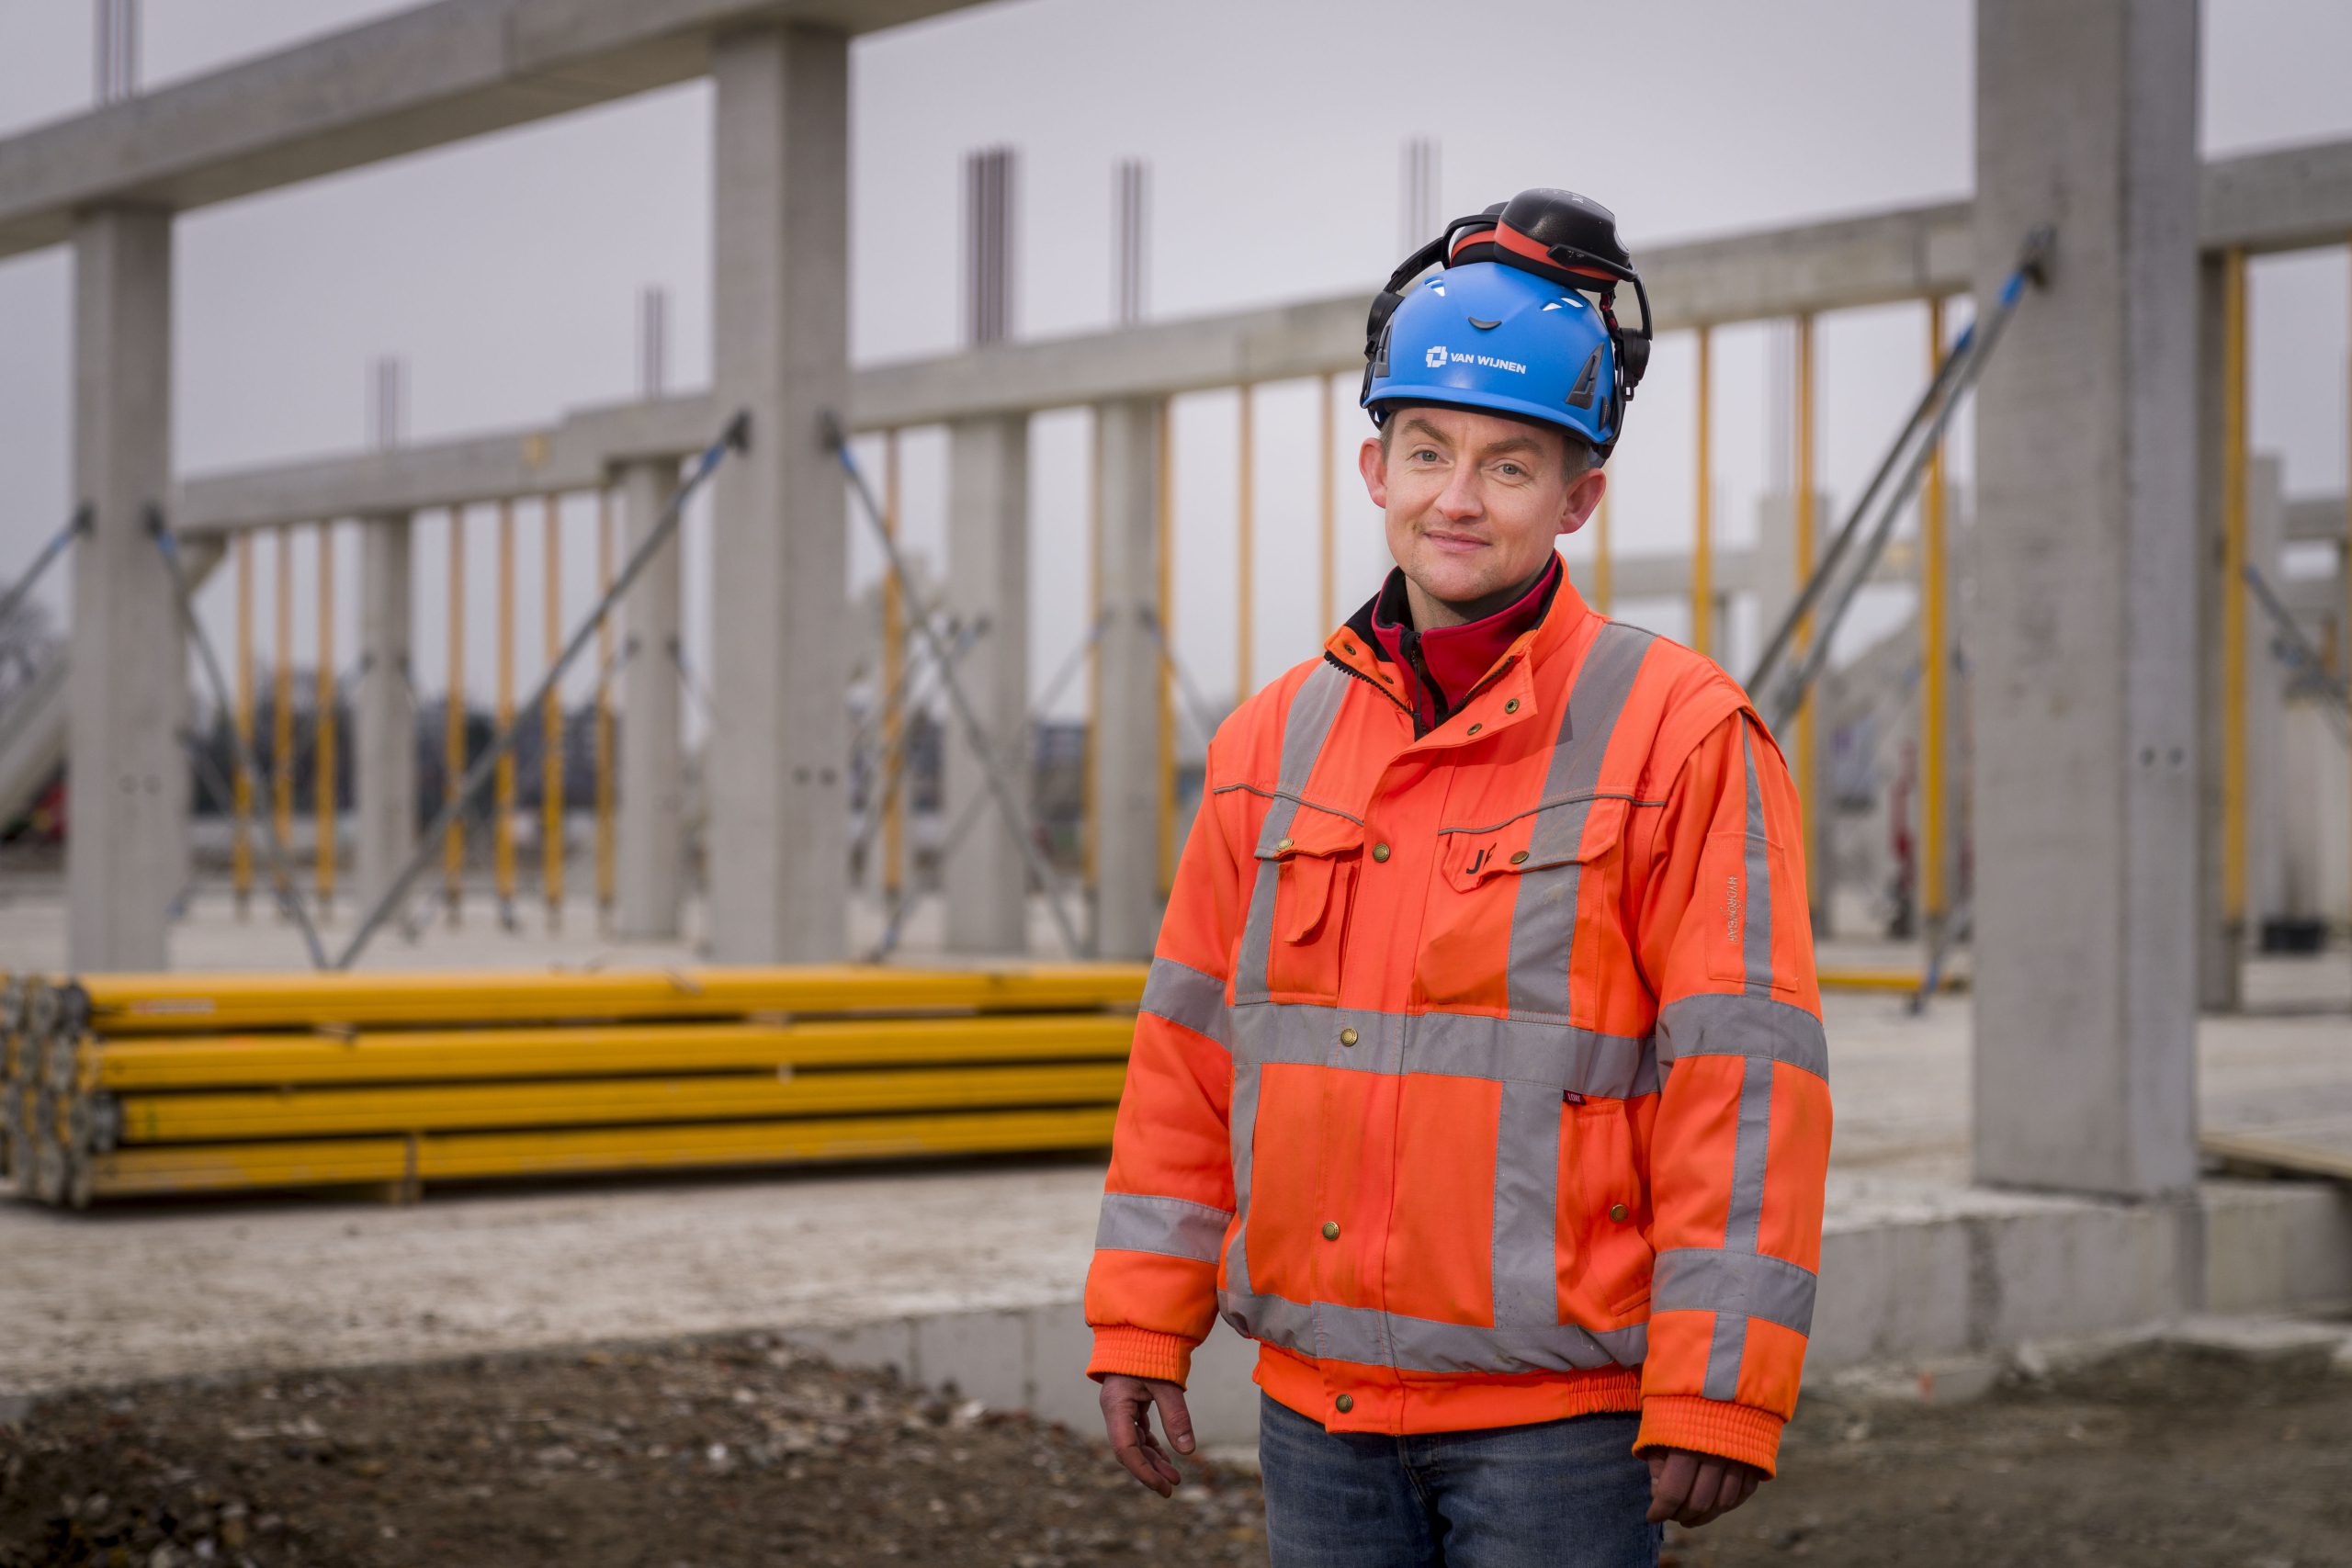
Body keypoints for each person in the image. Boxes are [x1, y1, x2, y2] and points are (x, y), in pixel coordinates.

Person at [1082, 188, 1831, 1567]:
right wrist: (1142, 1315)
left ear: (1578, 495)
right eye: (1426, 450)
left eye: (1508, 464)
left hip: (1559, 1428)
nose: (1457, 498)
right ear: (1374, 469)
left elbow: (1746, 1078)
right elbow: (1189, 1058)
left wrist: (1719, 1379)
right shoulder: (1269, 741)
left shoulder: (1680, 731)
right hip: (1321, 1413)